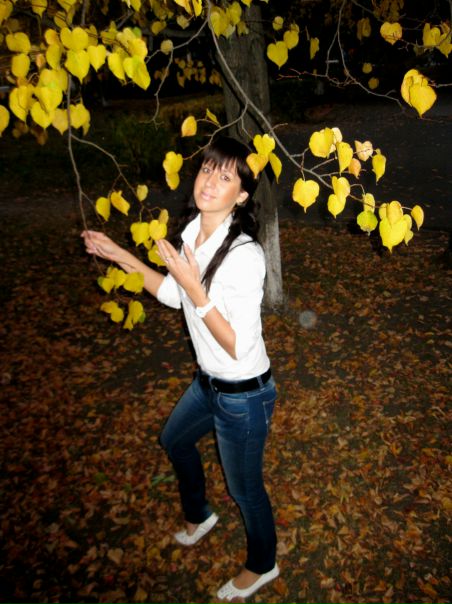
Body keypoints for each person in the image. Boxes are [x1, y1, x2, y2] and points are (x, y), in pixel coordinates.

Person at [81, 136, 279, 601]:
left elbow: (237, 345)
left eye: (225, 177)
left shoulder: (245, 256)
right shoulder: (192, 233)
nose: (209, 181)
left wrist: (196, 290)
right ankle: (200, 515)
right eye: (207, 169)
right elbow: (173, 294)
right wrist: (119, 255)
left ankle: (263, 564)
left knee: (245, 490)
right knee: (174, 440)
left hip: (244, 394)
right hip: (208, 384)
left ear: (242, 195)